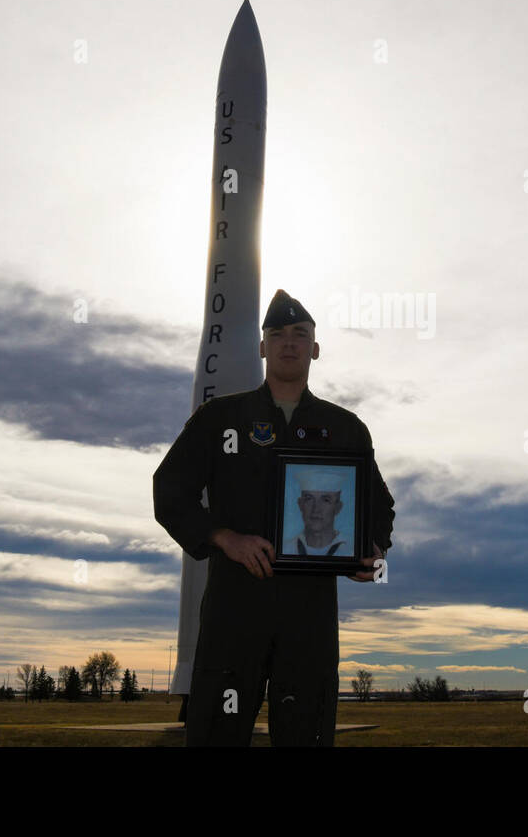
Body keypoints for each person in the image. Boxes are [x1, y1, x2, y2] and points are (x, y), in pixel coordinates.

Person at [153, 289, 395, 746]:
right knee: (216, 733)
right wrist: (223, 537)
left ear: (314, 349)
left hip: (310, 612)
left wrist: (374, 553)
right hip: (233, 607)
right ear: (262, 347)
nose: (288, 342)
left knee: (306, 732)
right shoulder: (219, 418)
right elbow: (170, 491)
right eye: (277, 334)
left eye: (300, 334)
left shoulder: (345, 428)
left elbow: (378, 506)